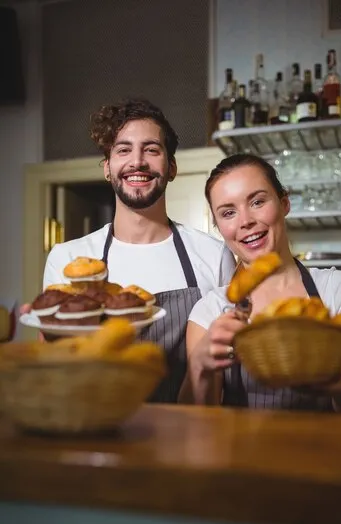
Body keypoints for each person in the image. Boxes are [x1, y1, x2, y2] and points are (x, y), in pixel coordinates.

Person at [41, 98, 236, 402]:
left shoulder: (213, 255)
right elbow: (58, 362)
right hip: (97, 432)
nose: (137, 162)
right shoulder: (68, 260)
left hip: (187, 432)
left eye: (151, 149)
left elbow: (226, 367)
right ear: (107, 168)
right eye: (123, 150)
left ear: (171, 167)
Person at [183, 153, 341, 413]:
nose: (246, 221)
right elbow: (196, 422)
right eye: (228, 212)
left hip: (325, 453)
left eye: (257, 201)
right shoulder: (210, 311)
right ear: (218, 227)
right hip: (237, 454)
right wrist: (199, 366)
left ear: (284, 203)